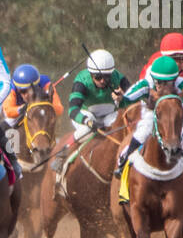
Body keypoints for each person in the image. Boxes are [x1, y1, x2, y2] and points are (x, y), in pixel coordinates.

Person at [116, 55, 183, 199]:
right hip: (154, 112)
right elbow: (128, 98)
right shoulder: (146, 83)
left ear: (175, 79)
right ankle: (124, 162)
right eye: (159, 83)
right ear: (154, 78)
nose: (162, 86)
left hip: (179, 114)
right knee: (142, 132)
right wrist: (120, 99)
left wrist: (165, 102)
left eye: (167, 83)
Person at [50, 48, 130, 196]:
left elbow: (134, 102)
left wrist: (122, 99)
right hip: (87, 114)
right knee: (86, 131)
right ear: (91, 74)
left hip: (109, 114)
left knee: (120, 127)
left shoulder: (118, 78)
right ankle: (63, 153)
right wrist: (86, 121)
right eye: (98, 77)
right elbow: (73, 110)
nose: (102, 81)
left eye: (106, 76)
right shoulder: (82, 80)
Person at [139, 31, 183, 142]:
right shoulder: (155, 63)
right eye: (174, 58)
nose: (179, 63)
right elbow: (144, 89)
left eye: (182, 58)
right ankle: (129, 151)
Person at [0, 63, 65, 130]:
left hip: (42, 111)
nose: (27, 95)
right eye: (23, 91)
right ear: (17, 88)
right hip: (19, 114)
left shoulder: (45, 83)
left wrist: (44, 105)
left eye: (31, 90)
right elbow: (8, 111)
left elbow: (59, 109)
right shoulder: (11, 88)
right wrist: (22, 109)